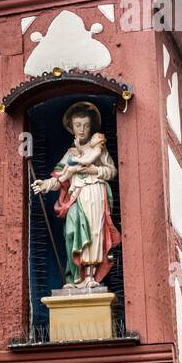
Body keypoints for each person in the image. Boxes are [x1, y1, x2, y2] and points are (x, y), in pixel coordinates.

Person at [30, 102, 121, 288]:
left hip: (95, 192)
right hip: (76, 197)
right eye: (78, 125)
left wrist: (96, 170)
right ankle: (73, 277)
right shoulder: (70, 153)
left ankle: (90, 277)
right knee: (72, 232)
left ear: (92, 127)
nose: (82, 130)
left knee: (95, 233)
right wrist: (46, 184)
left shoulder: (98, 149)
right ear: (71, 128)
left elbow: (112, 171)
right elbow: (60, 178)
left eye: (86, 125)